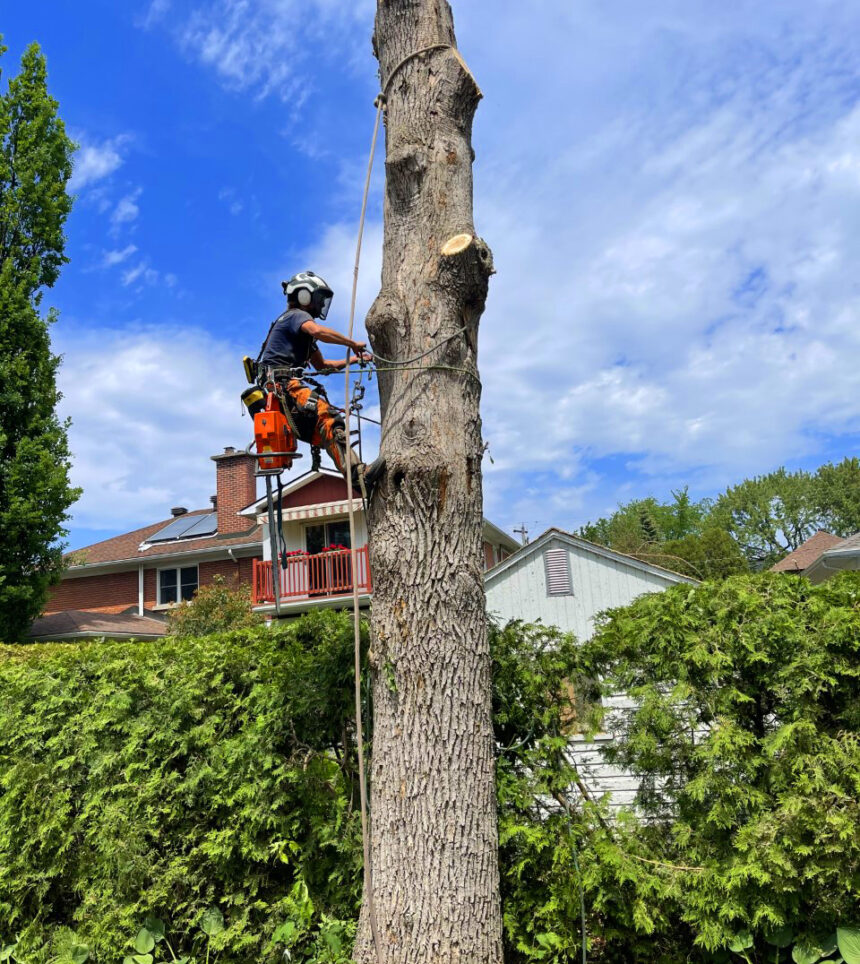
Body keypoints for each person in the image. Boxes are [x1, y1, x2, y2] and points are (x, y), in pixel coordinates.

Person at [255, 271, 384, 499]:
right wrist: (352, 343)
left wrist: (354, 360)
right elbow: (317, 331)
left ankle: (358, 479)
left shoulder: (301, 336)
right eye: (318, 299)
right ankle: (358, 475)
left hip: (285, 390)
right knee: (328, 417)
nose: (320, 305)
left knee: (329, 429)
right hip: (283, 386)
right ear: (304, 295)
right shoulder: (295, 316)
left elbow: (323, 366)